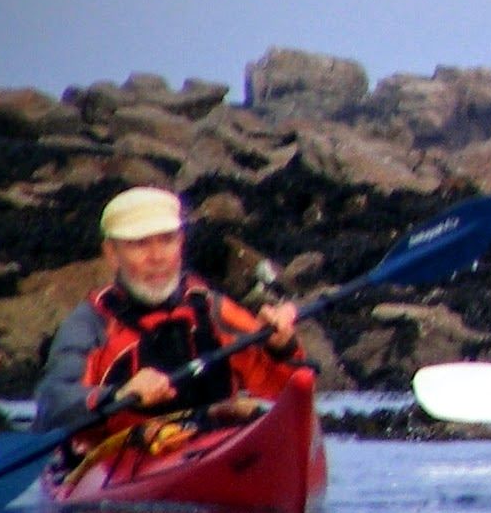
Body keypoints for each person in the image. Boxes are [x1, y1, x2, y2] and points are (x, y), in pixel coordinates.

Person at [34, 187, 303, 459]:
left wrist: (283, 347)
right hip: (123, 456)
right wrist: (118, 395)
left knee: (247, 410)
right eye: (139, 244)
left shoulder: (213, 310)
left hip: (214, 446)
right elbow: (52, 403)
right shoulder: (89, 326)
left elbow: (290, 391)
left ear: (181, 243)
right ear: (112, 254)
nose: (157, 257)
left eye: (167, 240)